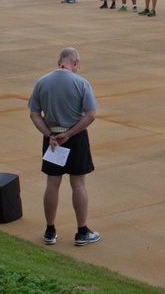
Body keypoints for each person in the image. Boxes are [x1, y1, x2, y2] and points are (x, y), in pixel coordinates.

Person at [28, 47, 100, 247]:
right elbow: (91, 115)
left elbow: (34, 114)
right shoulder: (81, 83)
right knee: (78, 184)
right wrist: (68, 134)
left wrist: (49, 134)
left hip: (51, 139)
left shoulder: (42, 82)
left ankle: (50, 230)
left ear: (59, 62)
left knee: (52, 184)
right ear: (75, 62)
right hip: (74, 137)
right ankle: (82, 231)